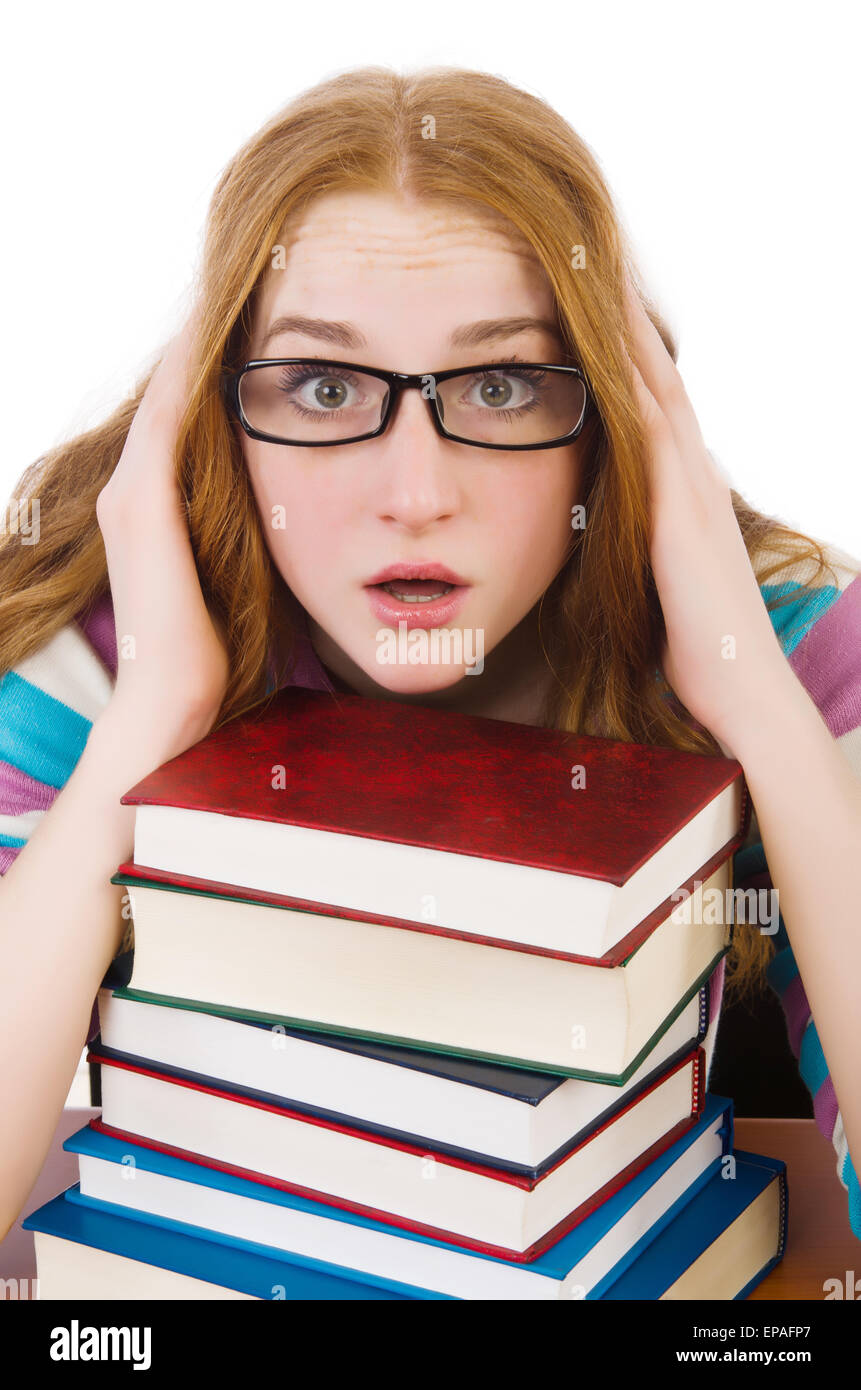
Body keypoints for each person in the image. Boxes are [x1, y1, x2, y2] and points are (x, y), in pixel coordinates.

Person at [1, 65, 858, 1248]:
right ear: (210, 415)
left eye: (500, 385)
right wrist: (150, 727)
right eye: (325, 385)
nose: (415, 496)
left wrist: (757, 701)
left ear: (612, 421)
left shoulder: (796, 647)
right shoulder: (103, 654)